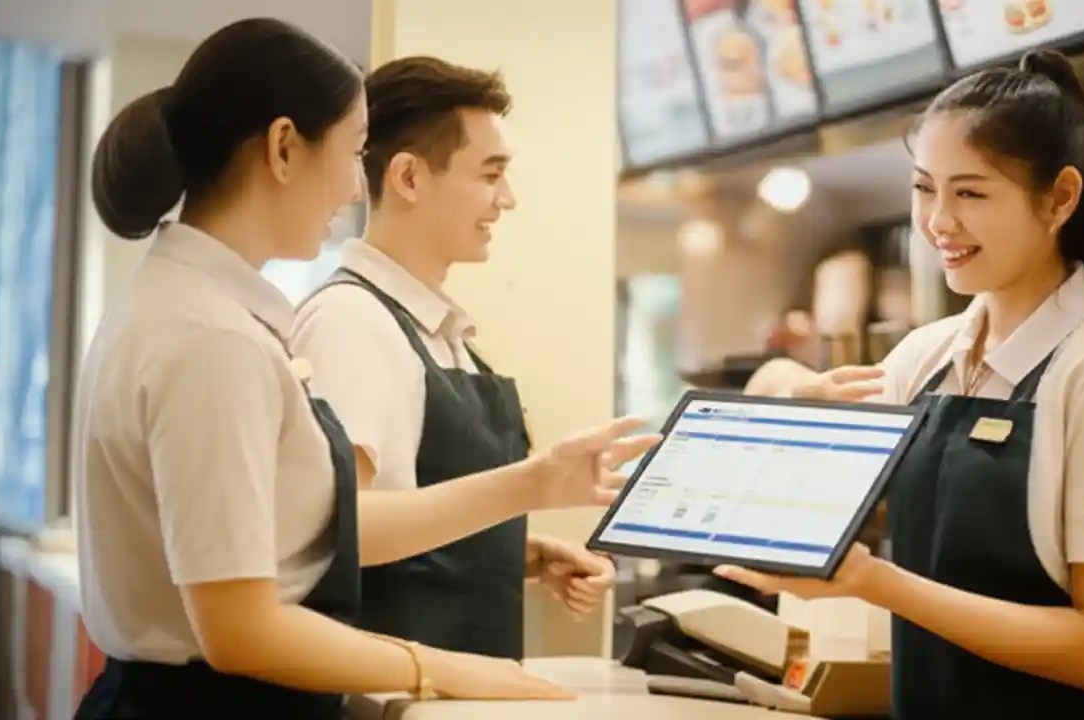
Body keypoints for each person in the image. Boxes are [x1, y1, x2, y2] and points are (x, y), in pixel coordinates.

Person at [73, 19, 657, 720]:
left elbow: (300, 533)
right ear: (285, 148)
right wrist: (442, 671)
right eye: (354, 154)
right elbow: (240, 630)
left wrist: (522, 523)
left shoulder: (190, 308)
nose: (356, 187)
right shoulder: (212, 339)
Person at [719, 50, 1084, 719]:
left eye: (970, 192)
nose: (938, 221)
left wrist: (875, 583)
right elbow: (780, 414)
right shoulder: (927, 356)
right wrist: (797, 393)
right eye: (924, 188)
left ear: (1060, 199)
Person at [289, 57, 614, 660]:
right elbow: (342, 532)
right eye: (491, 175)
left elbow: (413, 513)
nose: (507, 200)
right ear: (409, 177)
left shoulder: (437, 330)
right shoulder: (352, 323)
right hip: (388, 694)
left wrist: (514, 551)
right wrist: (528, 485)